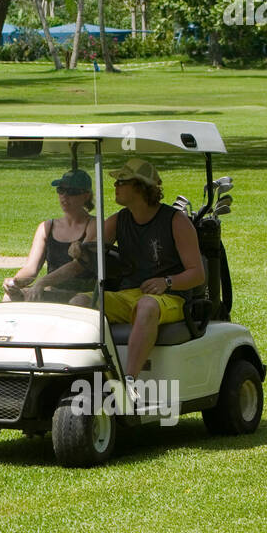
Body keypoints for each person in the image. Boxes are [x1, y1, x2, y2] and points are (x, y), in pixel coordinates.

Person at [68, 157, 204, 403]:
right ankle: (80, 375)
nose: (115, 187)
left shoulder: (176, 221)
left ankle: (128, 382)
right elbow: (88, 255)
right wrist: (45, 280)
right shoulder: (119, 220)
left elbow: (197, 273)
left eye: (122, 181)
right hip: (129, 295)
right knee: (78, 302)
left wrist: (167, 282)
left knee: (147, 305)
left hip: (170, 298)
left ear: (140, 187)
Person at [2, 169, 98, 304]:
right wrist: (15, 282)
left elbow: (78, 266)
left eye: (72, 192)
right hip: (53, 292)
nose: (64, 196)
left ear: (86, 195)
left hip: (81, 294)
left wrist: (42, 283)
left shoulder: (95, 225)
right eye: (61, 190)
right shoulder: (46, 227)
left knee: (77, 302)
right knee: (9, 297)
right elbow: (31, 268)